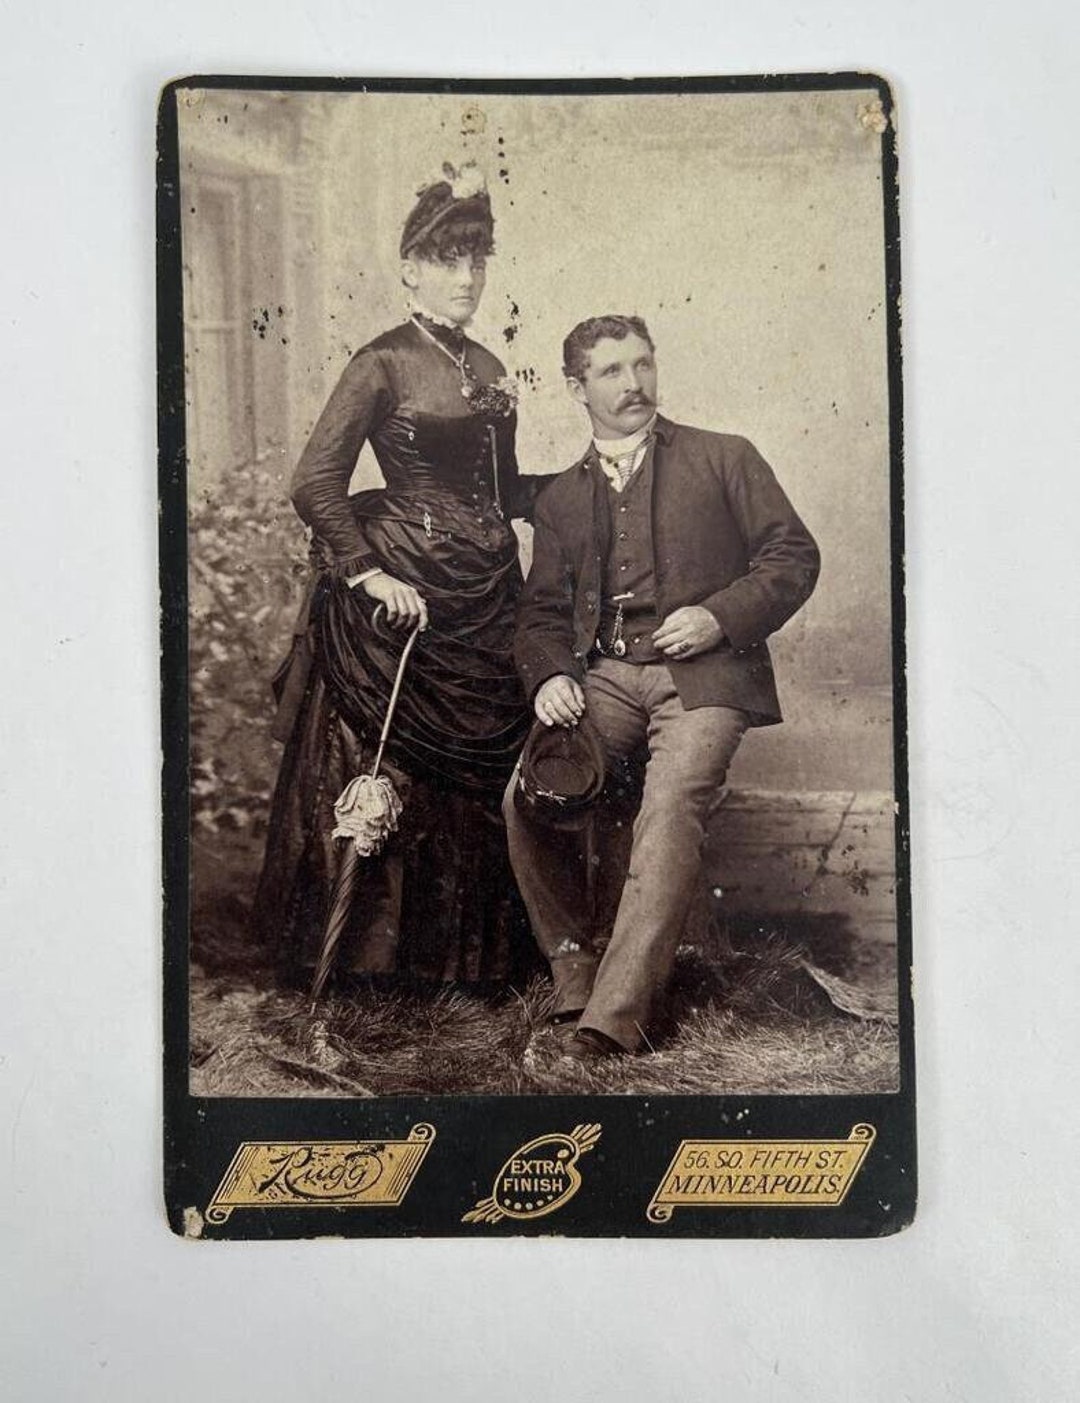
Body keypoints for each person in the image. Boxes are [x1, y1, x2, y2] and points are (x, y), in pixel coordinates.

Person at [254, 163, 551, 989]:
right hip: (402, 592)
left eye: (476, 259)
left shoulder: (489, 365)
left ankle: (463, 966)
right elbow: (314, 481)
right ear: (410, 269)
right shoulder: (381, 361)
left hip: (485, 589)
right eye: (447, 259)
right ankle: (370, 963)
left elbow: (506, 493)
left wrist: (591, 482)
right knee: (390, 760)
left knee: (484, 759)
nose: (466, 277)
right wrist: (366, 575)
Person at [503, 314, 820, 1059]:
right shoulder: (561, 499)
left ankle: (612, 1021)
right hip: (607, 677)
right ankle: (574, 972)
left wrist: (718, 617)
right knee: (526, 795)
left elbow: (793, 556)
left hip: (705, 678)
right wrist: (551, 674)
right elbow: (542, 613)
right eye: (611, 371)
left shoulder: (724, 457)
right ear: (576, 388)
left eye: (642, 364)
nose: (633, 383)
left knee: (670, 809)